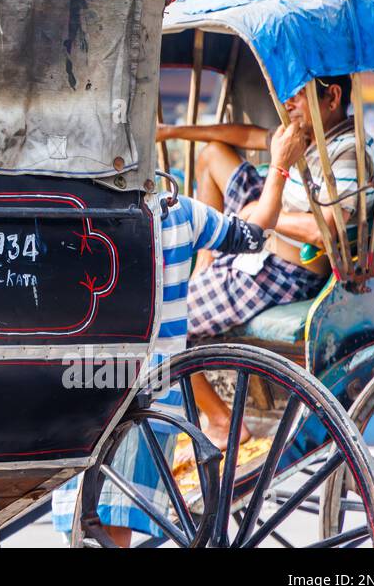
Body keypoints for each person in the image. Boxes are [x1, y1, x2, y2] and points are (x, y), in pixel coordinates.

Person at [50, 124, 306, 546]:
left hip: (79, 387)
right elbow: (255, 231)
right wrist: (279, 168)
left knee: (88, 529)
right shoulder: (179, 211)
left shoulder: (75, 214)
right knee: (113, 533)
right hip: (151, 401)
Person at [157, 75, 374, 340]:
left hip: (286, 267)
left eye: (297, 95)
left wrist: (259, 213)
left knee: (169, 322)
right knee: (213, 153)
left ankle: (192, 374)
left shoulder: (349, 150)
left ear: (332, 97)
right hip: (271, 228)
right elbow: (247, 135)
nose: (288, 104)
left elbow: (325, 231)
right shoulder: (307, 134)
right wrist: (171, 131)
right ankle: (207, 259)